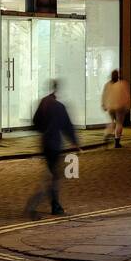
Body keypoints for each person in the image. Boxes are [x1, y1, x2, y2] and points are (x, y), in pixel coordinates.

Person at [26, 81, 80, 217]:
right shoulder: (59, 107)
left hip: (45, 143)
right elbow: (67, 126)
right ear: (57, 90)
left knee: (51, 174)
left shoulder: (43, 103)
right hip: (55, 144)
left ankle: (53, 205)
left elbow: (35, 122)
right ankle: (47, 205)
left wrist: (44, 130)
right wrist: (75, 142)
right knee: (53, 177)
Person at [100, 69, 131, 148]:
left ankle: (107, 133)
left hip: (110, 107)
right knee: (119, 123)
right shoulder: (123, 84)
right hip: (120, 107)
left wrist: (103, 105)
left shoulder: (107, 85)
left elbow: (104, 95)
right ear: (118, 75)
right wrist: (128, 105)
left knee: (112, 122)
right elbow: (127, 95)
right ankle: (117, 141)